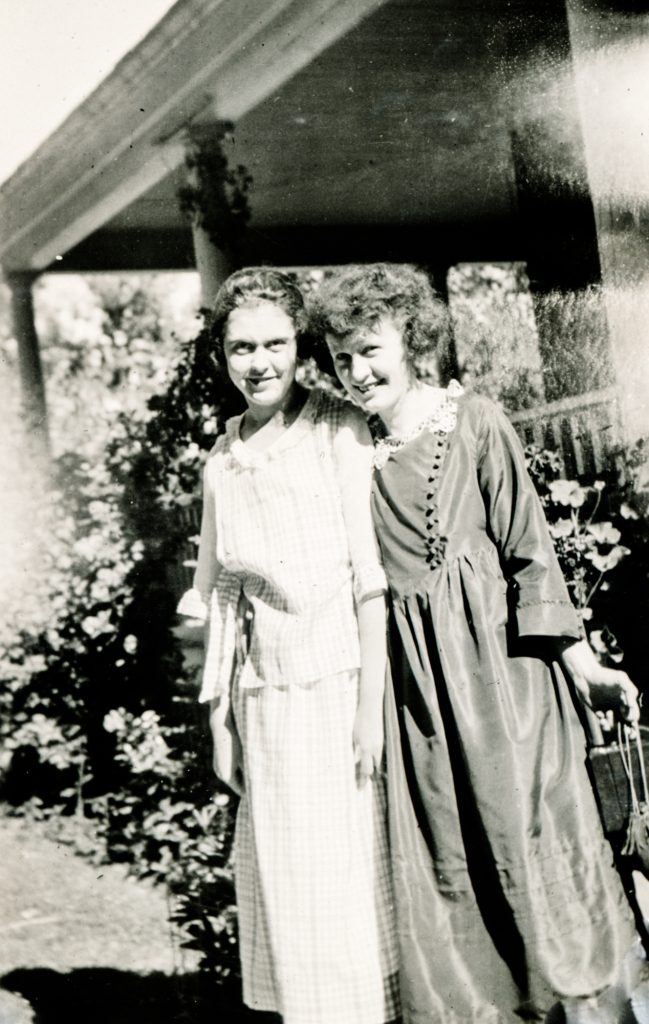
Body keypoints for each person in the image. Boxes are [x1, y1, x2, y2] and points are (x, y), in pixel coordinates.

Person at [312, 262, 643, 1024]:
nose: (357, 372)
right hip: (419, 699)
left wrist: (582, 663)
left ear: (411, 341)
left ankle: (580, 1007)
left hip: (507, 682)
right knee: (451, 858)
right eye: (340, 359)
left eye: (370, 350)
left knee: (532, 840)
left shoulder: (473, 422)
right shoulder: (348, 455)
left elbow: (530, 552)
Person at [177, 267, 400, 1024]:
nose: (259, 362)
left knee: (348, 892)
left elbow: (370, 582)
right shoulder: (222, 458)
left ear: (298, 343)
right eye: (242, 347)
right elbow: (214, 597)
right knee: (292, 898)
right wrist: (219, 721)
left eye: (274, 343)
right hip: (263, 704)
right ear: (222, 354)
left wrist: (369, 713)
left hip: (339, 691)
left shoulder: (339, 427)